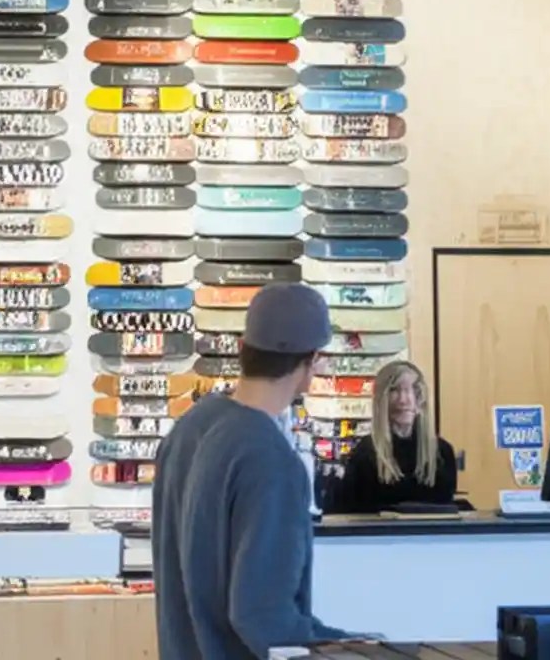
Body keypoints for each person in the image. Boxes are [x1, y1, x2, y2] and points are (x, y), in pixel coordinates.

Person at [152, 283, 347, 660]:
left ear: (243, 348)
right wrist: (355, 646)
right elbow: (263, 617)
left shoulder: (189, 428)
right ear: (311, 363)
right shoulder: (272, 460)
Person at [334, 361, 459, 513]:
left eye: (412, 390)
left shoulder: (442, 453)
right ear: (382, 400)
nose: (403, 399)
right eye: (394, 390)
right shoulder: (365, 454)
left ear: (421, 399)